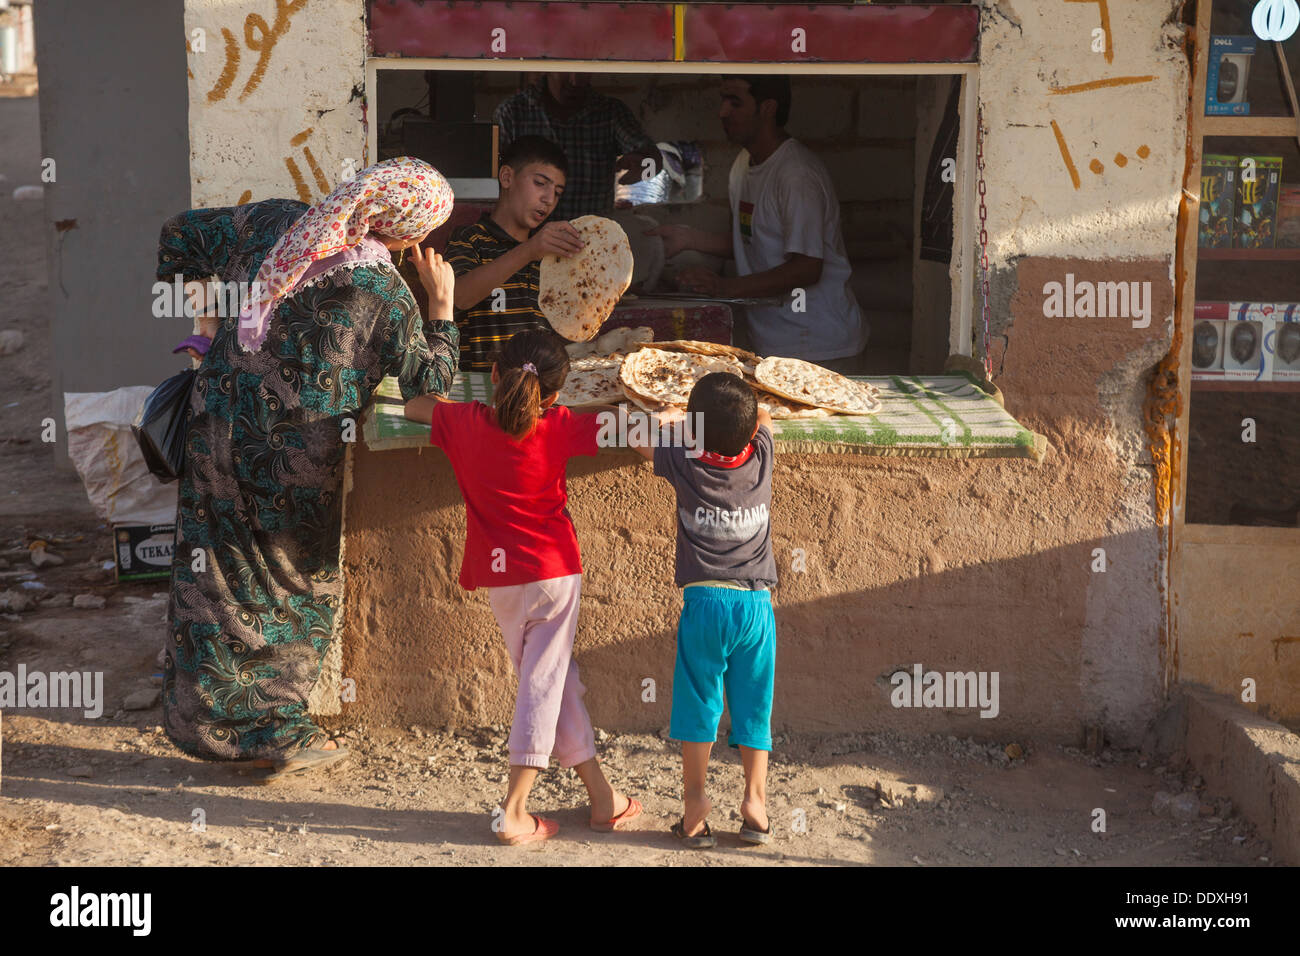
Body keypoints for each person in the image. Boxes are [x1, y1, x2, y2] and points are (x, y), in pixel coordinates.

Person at [158, 158, 460, 780]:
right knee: (294, 587)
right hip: (295, 463)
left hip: (214, 430)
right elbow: (426, 384)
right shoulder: (386, 292)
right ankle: (279, 735)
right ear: (398, 223)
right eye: (417, 231)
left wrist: (207, 325)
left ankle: (203, 726)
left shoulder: (272, 221)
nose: (413, 244)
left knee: (215, 572)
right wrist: (443, 305)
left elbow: (178, 234)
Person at [403, 329, 641, 844]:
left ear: (492, 375)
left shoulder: (462, 421)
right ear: (554, 396)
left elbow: (414, 406)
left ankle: (604, 800)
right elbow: (633, 430)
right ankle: (514, 809)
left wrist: (442, 337)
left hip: (502, 582)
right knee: (543, 685)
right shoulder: (560, 425)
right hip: (555, 575)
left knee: (554, 681)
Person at [627, 372, 777, 849]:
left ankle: (695, 807)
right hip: (757, 606)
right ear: (751, 433)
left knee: (699, 702)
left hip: (705, 603)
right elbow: (765, 418)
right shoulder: (762, 457)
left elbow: (636, 436)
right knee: (754, 702)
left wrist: (673, 419)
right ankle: (755, 802)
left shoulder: (683, 460)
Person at [649, 76, 868, 372]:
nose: (722, 112)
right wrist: (686, 238)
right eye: (723, 100)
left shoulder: (796, 175)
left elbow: (807, 267)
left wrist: (725, 287)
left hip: (817, 346)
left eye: (735, 102)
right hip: (774, 344)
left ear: (767, 108)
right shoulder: (743, 164)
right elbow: (747, 239)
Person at [445, 136, 585, 370]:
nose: (548, 199)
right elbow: (459, 296)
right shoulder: (470, 238)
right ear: (507, 177)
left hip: (535, 392)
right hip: (480, 388)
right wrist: (530, 250)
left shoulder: (553, 259)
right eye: (540, 183)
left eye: (558, 192)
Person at [493, 73, 662, 221]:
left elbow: (653, 159)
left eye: (583, 71)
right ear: (548, 65)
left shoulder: (610, 112)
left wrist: (646, 164)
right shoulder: (512, 113)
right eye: (566, 71)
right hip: (527, 245)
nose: (574, 81)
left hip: (591, 244)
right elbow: (493, 187)